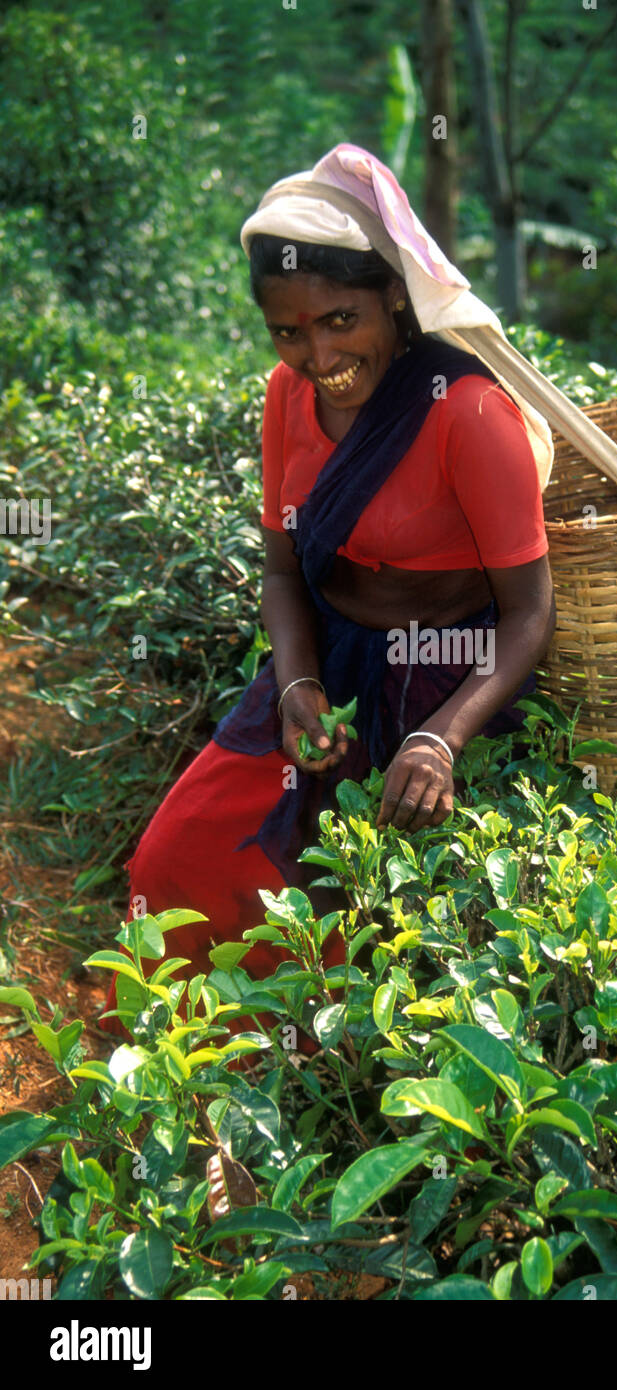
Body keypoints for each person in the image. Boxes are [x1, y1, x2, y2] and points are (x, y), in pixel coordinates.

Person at [99, 144, 556, 1044]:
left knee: (347, 909)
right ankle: (187, 1076)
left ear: (393, 294)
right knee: (178, 858)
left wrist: (439, 739)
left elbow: (529, 612)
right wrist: (298, 687)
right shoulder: (285, 398)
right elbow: (282, 569)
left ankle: (300, 1077)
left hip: (443, 674)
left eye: (340, 320)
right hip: (327, 659)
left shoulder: (466, 412)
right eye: (290, 332)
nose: (319, 355)